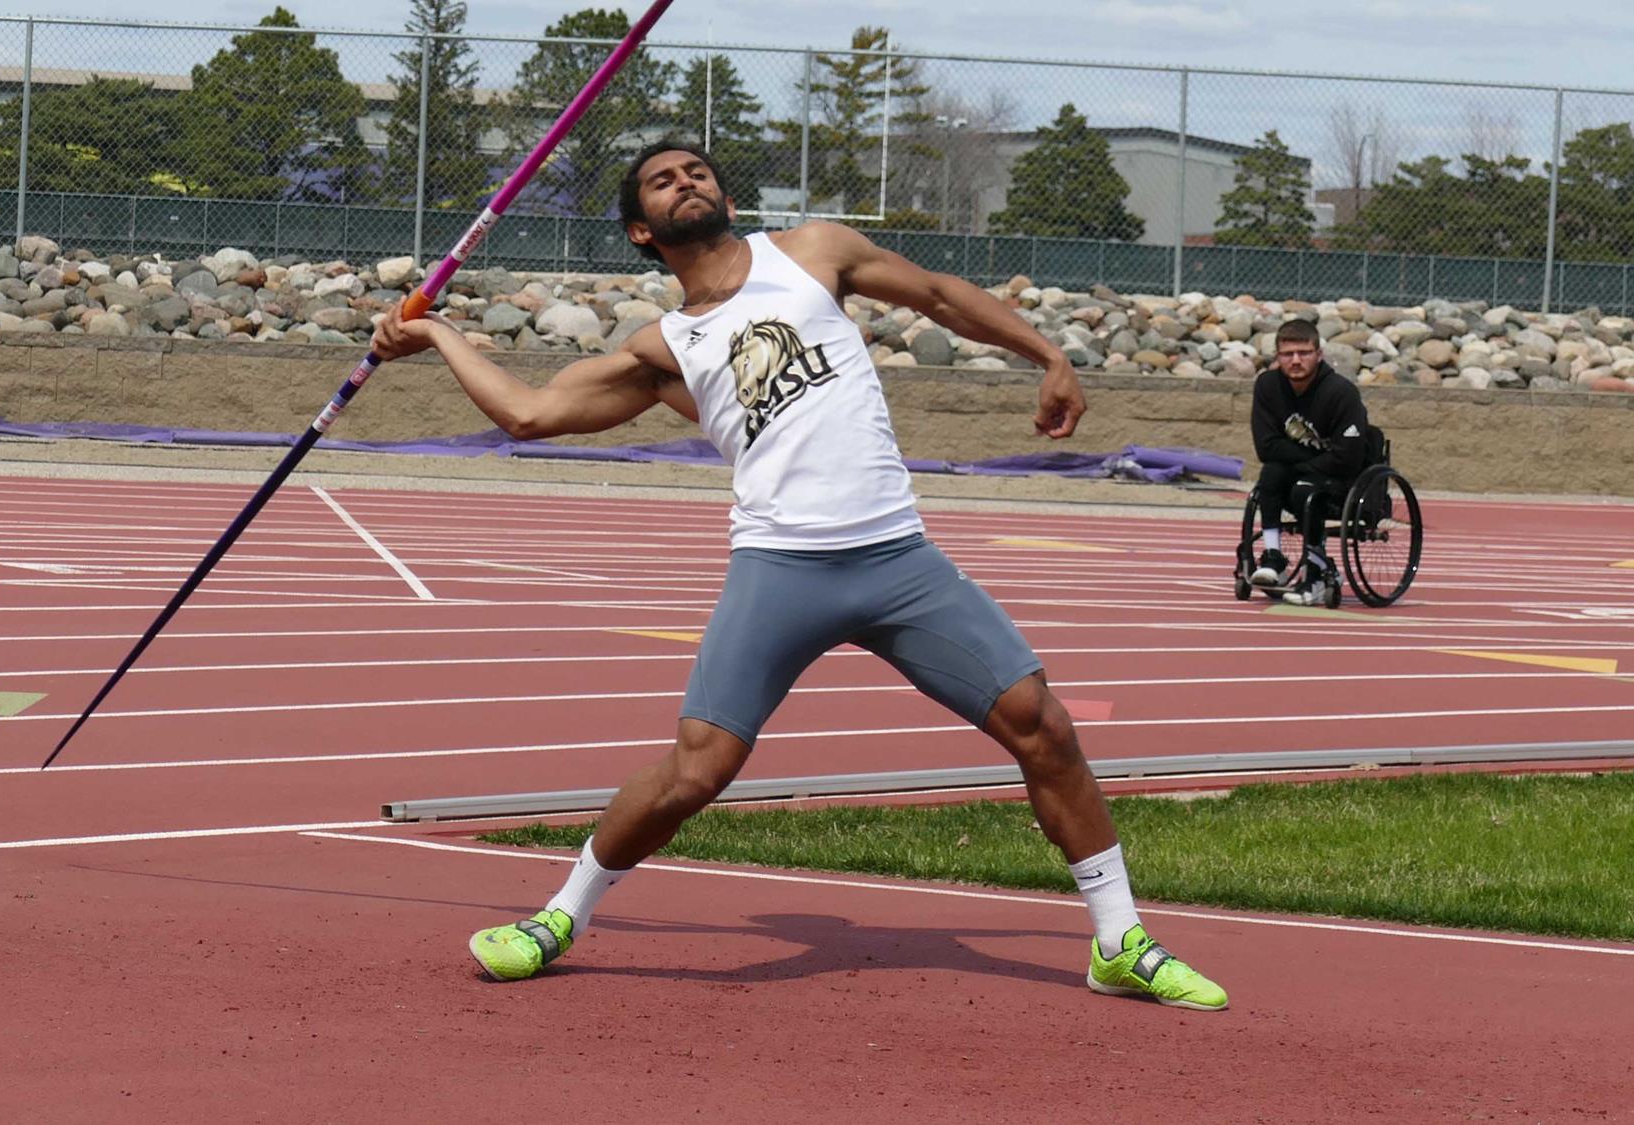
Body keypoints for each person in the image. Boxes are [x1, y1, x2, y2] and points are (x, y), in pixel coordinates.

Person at [370, 140, 1228, 1012]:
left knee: (1043, 725)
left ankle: (1120, 941)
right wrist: (437, 333)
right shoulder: (665, 348)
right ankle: (557, 917)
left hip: (897, 559)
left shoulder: (813, 251)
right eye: (662, 181)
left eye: (697, 171)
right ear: (640, 230)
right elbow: (528, 412)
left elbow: (937, 295)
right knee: (696, 772)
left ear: (725, 195)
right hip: (780, 569)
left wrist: (1047, 355)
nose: (685, 181)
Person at [1247, 320, 1371, 606]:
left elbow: (1347, 456)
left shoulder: (1341, 392)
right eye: (1287, 354)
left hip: (1340, 478)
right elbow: (1266, 447)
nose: (1295, 360)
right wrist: (1309, 461)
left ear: (1319, 354)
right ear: (1277, 356)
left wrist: (1299, 462)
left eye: (1303, 353)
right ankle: (1274, 557)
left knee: (1305, 489)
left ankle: (1316, 574)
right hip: (1302, 470)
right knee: (1271, 473)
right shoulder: (1268, 385)